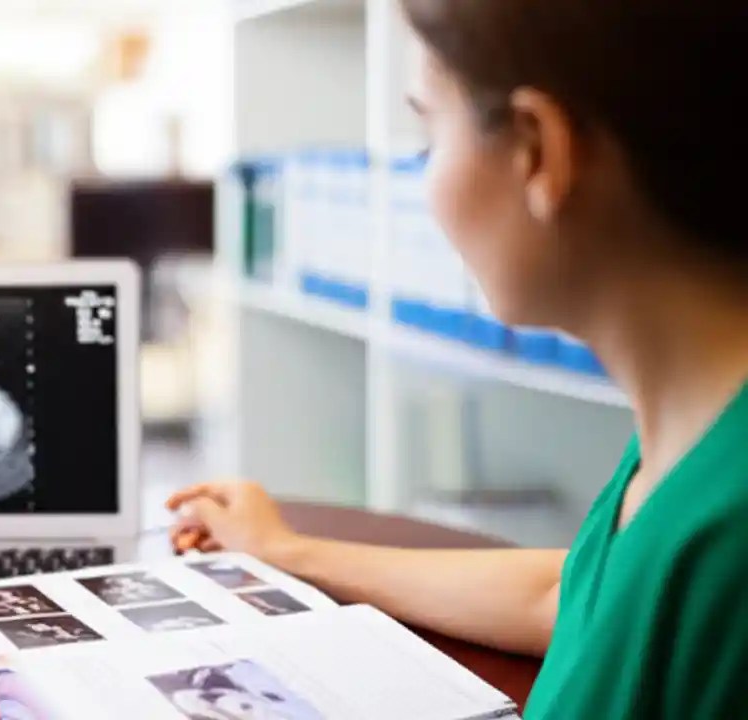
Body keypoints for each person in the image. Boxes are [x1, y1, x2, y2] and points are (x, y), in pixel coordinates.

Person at [168, 2, 748, 718]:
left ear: (538, 150)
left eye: (428, 137)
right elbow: (572, 595)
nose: (422, 186)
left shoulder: (729, 530)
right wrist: (287, 551)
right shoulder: (691, 434)